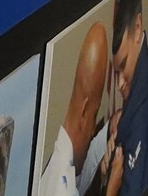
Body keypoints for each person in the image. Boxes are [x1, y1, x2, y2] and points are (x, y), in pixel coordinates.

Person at [38, 21, 110, 196]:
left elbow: (81, 173)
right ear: (84, 111)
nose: (93, 129)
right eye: (94, 116)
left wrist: (113, 126)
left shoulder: (59, 163)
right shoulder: (63, 191)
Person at [106, 0, 148, 196]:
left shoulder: (142, 113)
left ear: (138, 28)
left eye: (123, 65)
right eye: (115, 72)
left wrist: (110, 187)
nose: (119, 84)